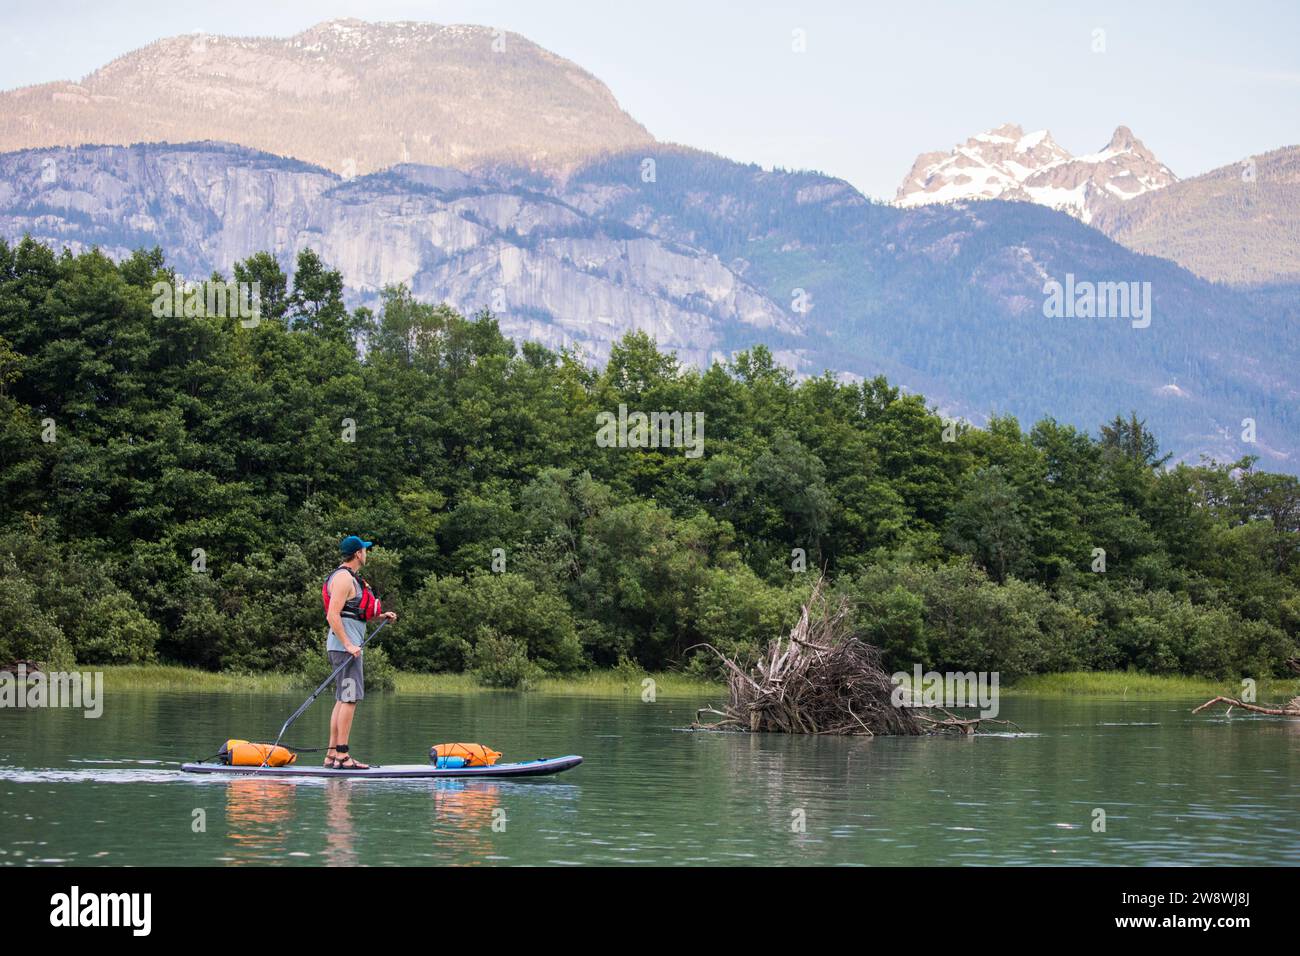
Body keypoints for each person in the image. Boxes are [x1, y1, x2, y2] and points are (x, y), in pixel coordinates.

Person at [322, 535, 396, 769]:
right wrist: (349, 645)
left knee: (342, 699)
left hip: (343, 648)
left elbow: (352, 612)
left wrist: (380, 616)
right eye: (365, 550)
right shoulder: (344, 579)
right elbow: (332, 615)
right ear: (357, 554)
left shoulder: (348, 578)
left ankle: (332, 755)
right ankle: (342, 756)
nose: (367, 553)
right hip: (346, 650)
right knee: (350, 699)